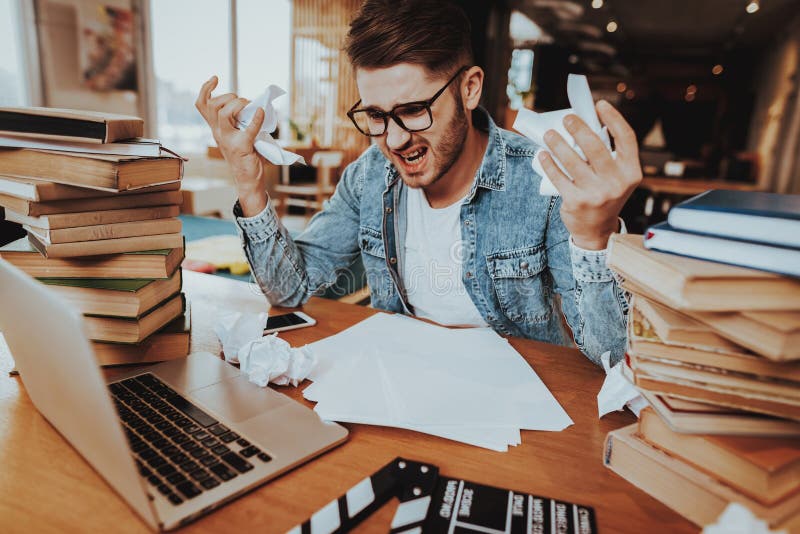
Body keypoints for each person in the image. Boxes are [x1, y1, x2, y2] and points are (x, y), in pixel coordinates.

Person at [194, 0, 642, 365]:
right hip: (399, 387)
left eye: (412, 110)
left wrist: (593, 237)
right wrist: (249, 181)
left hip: (517, 405)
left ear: (469, 89)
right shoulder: (369, 176)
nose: (392, 139)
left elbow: (609, 354)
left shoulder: (541, 181)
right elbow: (291, 289)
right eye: (375, 115)